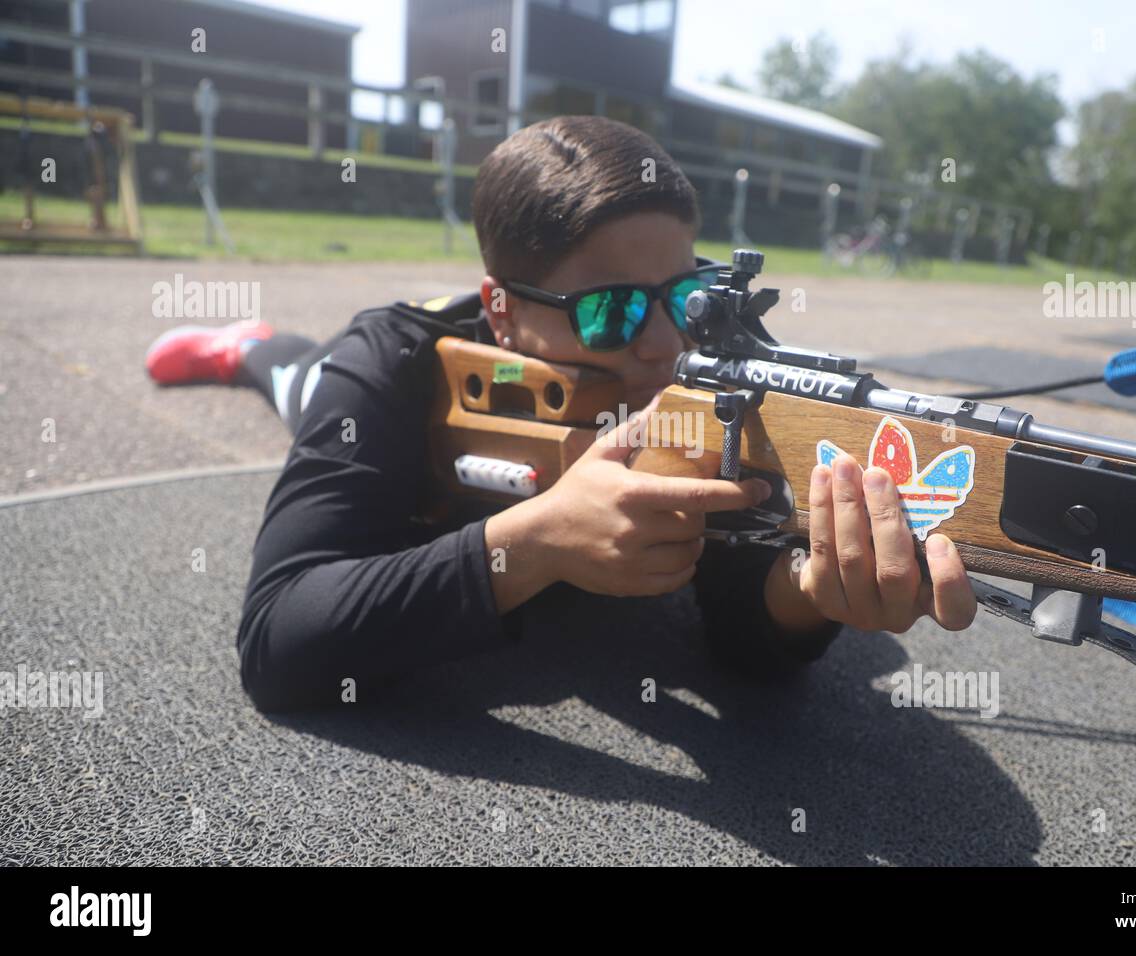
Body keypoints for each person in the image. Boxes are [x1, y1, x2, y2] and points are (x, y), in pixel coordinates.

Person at [144, 116, 976, 713]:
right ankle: (243, 345)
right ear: (501, 311)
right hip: (357, 380)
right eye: (611, 313)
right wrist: (530, 544)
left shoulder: (705, 373)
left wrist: (808, 595)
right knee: (295, 381)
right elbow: (279, 641)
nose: (662, 345)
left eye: (684, 297)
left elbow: (741, 629)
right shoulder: (391, 362)